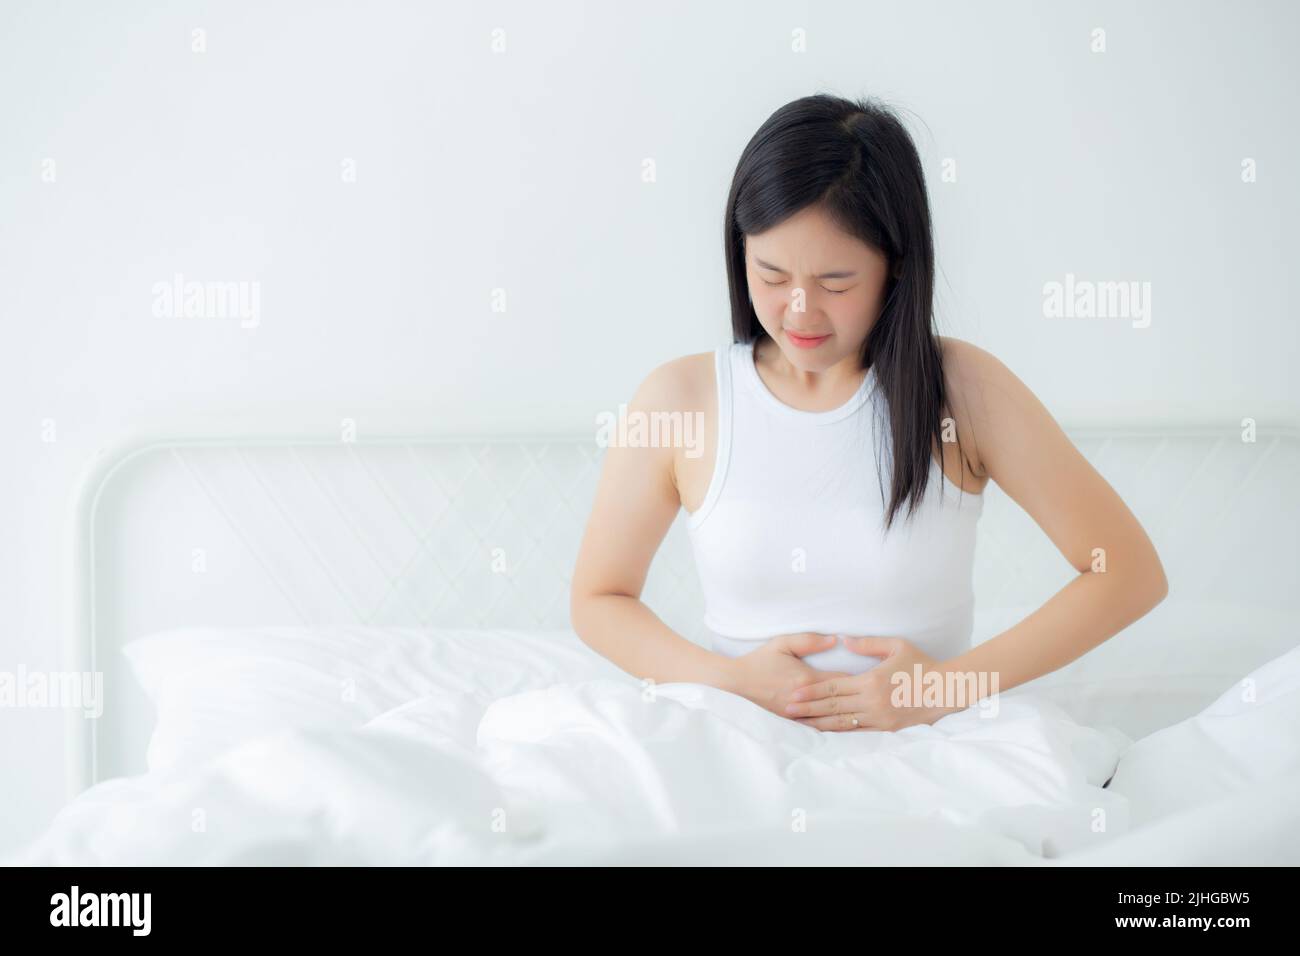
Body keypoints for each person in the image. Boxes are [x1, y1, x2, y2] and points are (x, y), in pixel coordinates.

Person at [570, 93, 1167, 733]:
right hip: (741, 740)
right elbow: (599, 598)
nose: (799, 310)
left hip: (926, 750)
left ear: (897, 269)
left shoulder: (963, 391)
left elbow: (1127, 573)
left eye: (836, 283)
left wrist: (944, 687)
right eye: (771, 274)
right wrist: (732, 683)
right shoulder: (680, 398)